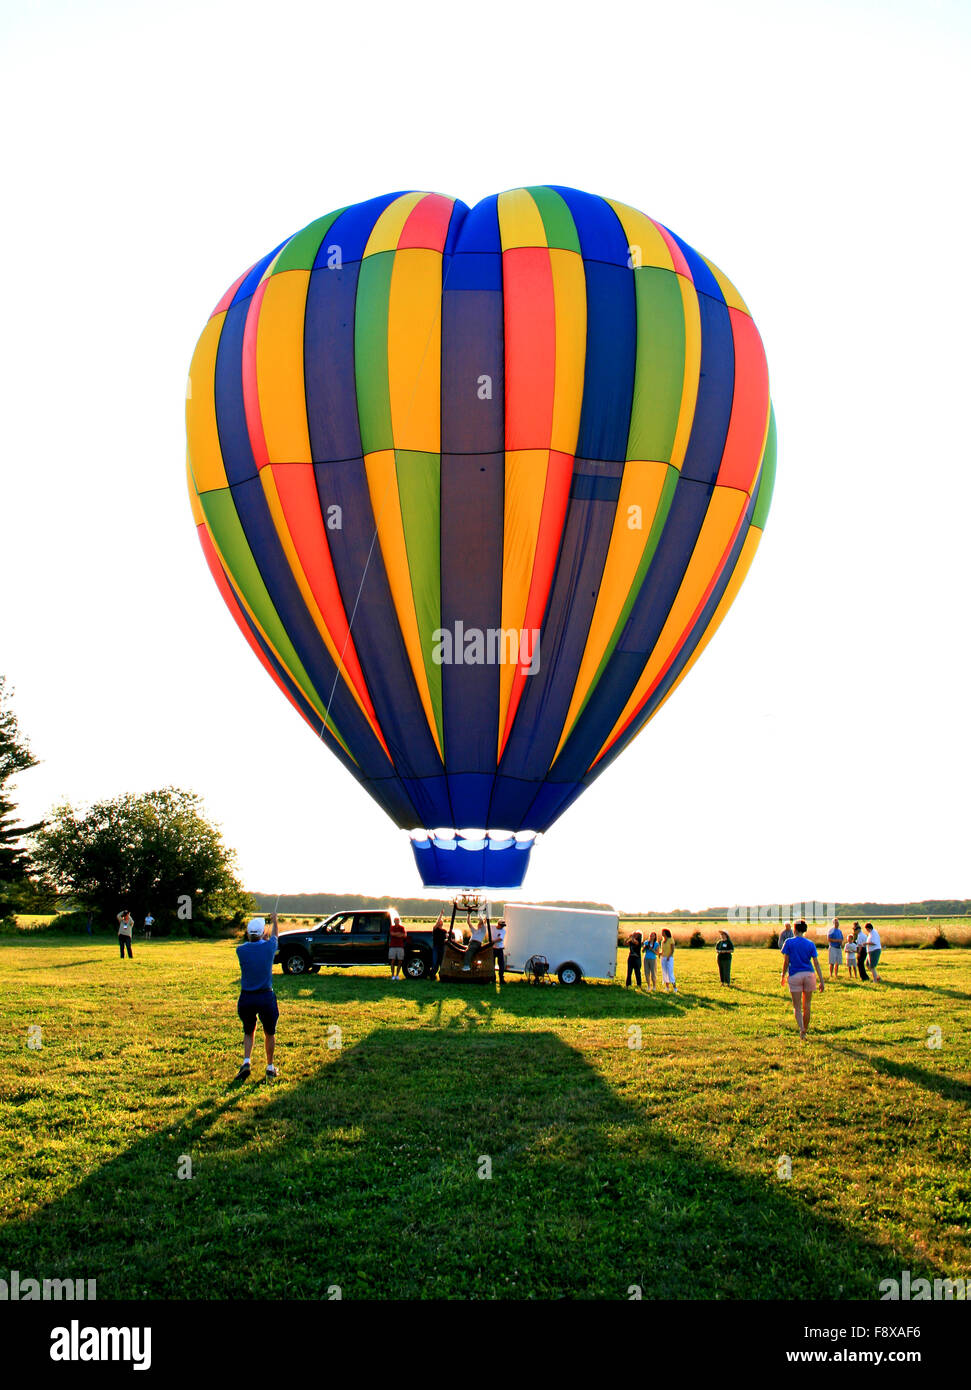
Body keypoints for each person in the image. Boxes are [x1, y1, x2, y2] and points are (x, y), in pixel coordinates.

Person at [235, 914, 280, 1080]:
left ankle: (246, 1061)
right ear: (262, 933)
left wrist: (264, 937)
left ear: (248, 933)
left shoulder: (240, 950)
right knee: (269, 1032)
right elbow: (276, 936)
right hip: (265, 996)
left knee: (248, 1031)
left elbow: (260, 943)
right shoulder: (269, 947)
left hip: (246, 997)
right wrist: (274, 921)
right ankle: (270, 1067)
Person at [780, 919, 825, 1039]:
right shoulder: (810, 944)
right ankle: (805, 1029)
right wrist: (821, 980)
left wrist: (782, 975)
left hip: (795, 975)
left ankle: (802, 1029)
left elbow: (786, 961)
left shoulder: (789, 942)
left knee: (797, 1006)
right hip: (809, 975)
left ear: (794, 929)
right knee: (807, 1005)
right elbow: (816, 963)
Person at [388, 914, 407, 980]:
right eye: (396, 921)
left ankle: (397, 975)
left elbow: (404, 935)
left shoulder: (402, 928)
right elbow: (392, 934)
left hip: (400, 946)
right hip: (393, 946)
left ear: (399, 921)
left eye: (398, 921)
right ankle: (393, 975)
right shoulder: (392, 927)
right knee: (392, 961)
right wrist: (399, 934)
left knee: (400, 961)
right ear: (394, 921)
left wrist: (396, 934)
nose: (397, 922)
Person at [431, 911, 448, 979]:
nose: (440, 922)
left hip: (442, 947)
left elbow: (446, 938)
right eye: (439, 922)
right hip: (436, 947)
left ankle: (442, 975)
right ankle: (432, 975)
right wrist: (441, 914)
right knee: (435, 961)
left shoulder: (444, 931)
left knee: (441, 961)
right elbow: (437, 922)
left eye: (441, 922)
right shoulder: (435, 929)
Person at [493, 917, 507, 984]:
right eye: (501, 925)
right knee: (491, 964)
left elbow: (500, 939)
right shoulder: (492, 928)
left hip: (500, 949)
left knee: (501, 965)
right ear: (498, 924)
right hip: (493, 949)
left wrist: (492, 942)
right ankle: (493, 978)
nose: (502, 927)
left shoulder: (503, 931)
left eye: (503, 926)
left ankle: (501, 979)